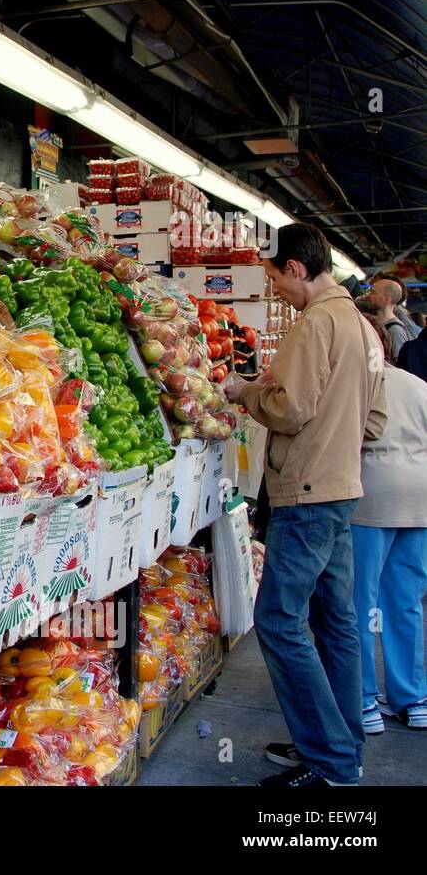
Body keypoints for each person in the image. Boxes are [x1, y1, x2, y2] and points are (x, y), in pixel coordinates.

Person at [225, 223, 387, 787]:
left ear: (295, 268)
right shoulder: (365, 329)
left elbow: (289, 409)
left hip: (307, 494)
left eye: (274, 278)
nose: (276, 292)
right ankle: (345, 745)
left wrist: (244, 391)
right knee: (336, 622)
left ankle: (331, 760)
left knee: (278, 620)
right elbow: (376, 420)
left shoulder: (315, 323)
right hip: (343, 489)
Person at [349, 315, 427, 734]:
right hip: (419, 502)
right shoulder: (418, 385)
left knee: (362, 603)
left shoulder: (357, 386)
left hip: (372, 499)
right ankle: (412, 699)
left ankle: (364, 702)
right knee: (405, 599)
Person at [363, 278, 412, 359]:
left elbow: (399, 364)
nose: (368, 296)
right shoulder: (377, 324)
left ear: (386, 299)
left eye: (373, 292)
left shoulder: (395, 330)